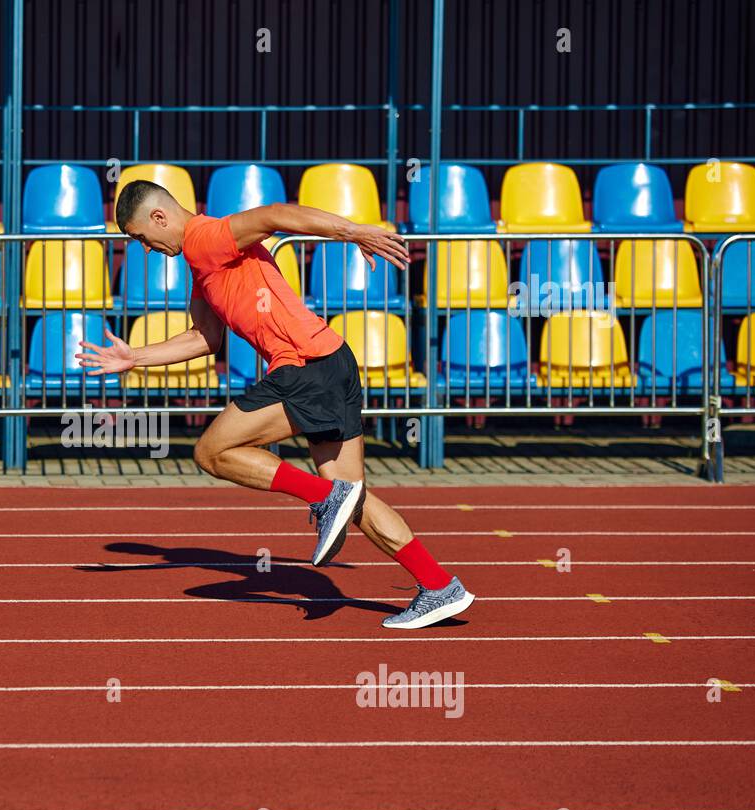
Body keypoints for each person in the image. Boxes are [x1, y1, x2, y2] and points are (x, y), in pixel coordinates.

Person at [76, 180, 475, 629]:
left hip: (304, 367)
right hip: (333, 361)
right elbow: (205, 338)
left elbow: (273, 215)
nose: (146, 249)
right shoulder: (200, 265)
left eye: (141, 237)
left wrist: (354, 232)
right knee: (356, 501)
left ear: (159, 218)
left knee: (211, 452)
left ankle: (326, 497)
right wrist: (136, 357)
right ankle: (440, 586)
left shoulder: (206, 239)